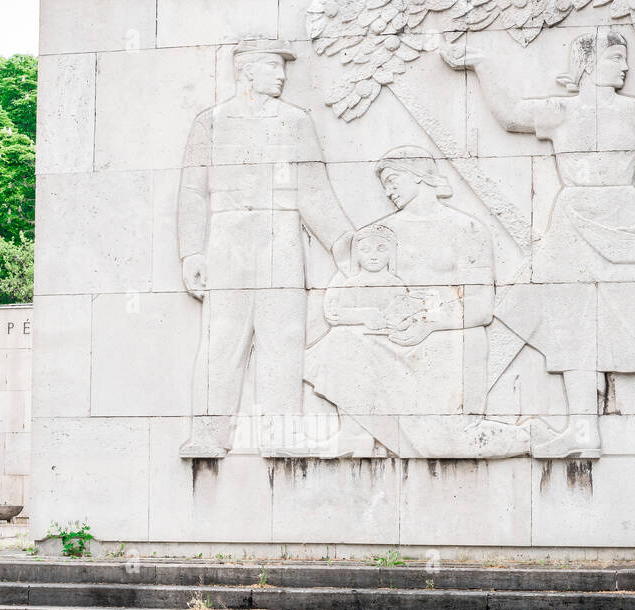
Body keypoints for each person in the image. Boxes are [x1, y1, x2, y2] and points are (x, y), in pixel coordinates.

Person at [445, 29, 635, 460]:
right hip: (571, 225)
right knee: (571, 326)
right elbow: (508, 113)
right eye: (616, 57)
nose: (626, 66)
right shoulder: (561, 112)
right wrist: (481, 62)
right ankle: (582, 431)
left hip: (623, 218)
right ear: (588, 62)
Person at [178, 36, 353, 458]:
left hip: (281, 235)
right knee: (221, 339)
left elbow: (314, 191)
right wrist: (192, 252)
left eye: (284, 68)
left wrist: (345, 247)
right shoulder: (212, 121)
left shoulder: (296, 121)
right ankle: (208, 434)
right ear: (247, 70)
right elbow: (192, 191)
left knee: (284, 337)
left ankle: (281, 434)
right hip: (228, 236)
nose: (282, 75)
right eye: (273, 67)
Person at [303, 147, 530, 458]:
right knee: (342, 340)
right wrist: (371, 317)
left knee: (446, 446)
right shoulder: (382, 234)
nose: (388, 190)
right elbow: (355, 290)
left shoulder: (467, 229)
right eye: (384, 183)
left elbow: (481, 306)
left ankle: (530, 437)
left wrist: (429, 323)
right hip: (395, 337)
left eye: (393, 180)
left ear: (420, 177)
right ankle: (354, 437)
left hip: (450, 338)